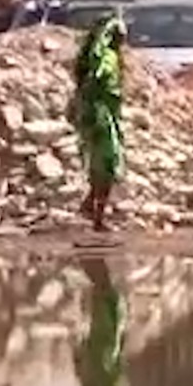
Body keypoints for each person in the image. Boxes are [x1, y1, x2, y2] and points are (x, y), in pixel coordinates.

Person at [70, 15, 128, 231]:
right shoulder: (109, 57)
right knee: (109, 164)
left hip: (97, 114)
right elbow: (99, 78)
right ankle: (97, 216)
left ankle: (92, 208)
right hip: (101, 115)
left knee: (99, 165)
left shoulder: (98, 55)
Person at [73, 256, 131, 386]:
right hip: (100, 363)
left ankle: (90, 261)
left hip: (104, 362)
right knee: (110, 312)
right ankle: (91, 262)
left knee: (111, 311)